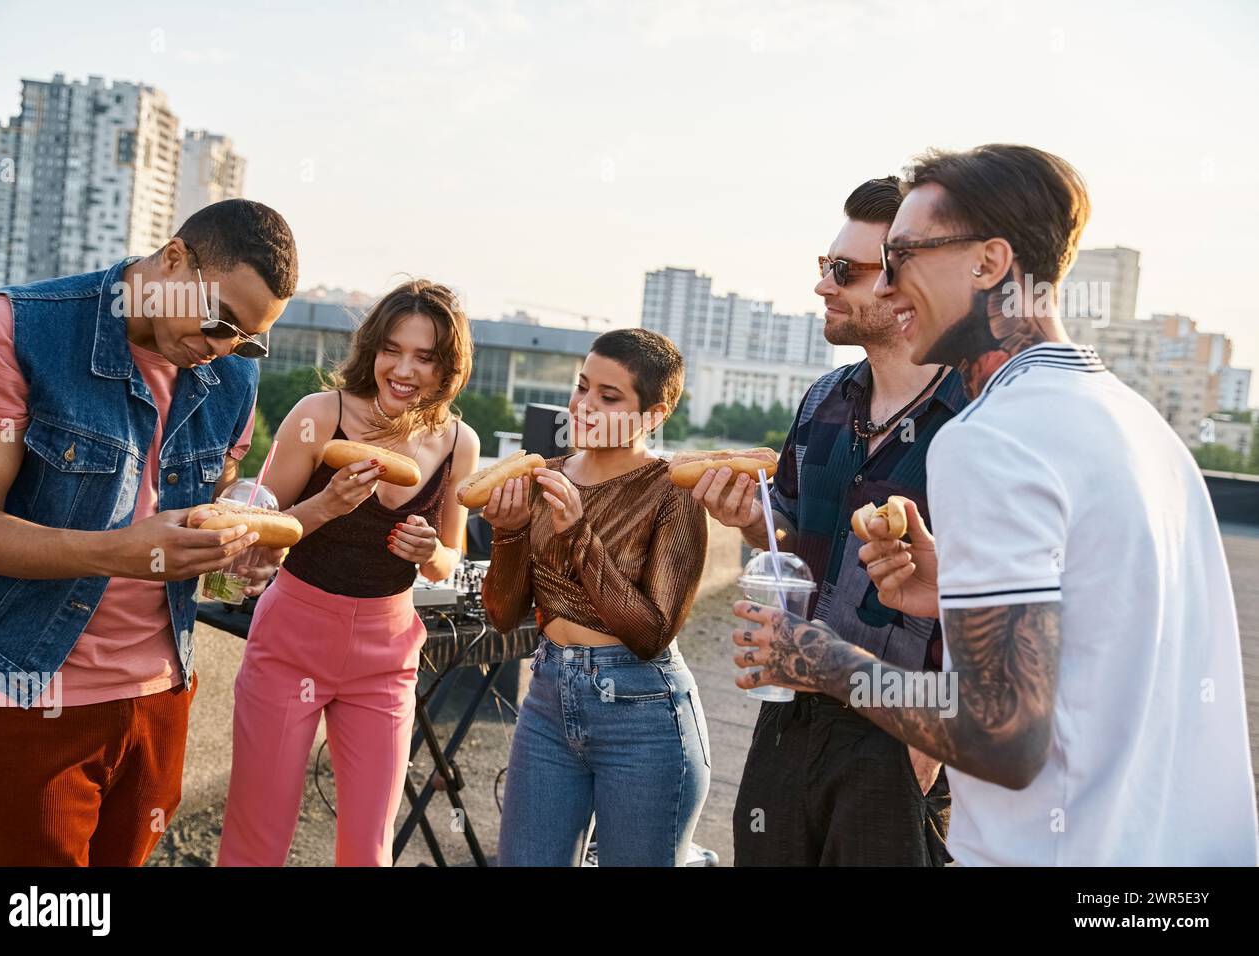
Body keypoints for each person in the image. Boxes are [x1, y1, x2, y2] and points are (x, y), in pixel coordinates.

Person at [732, 144, 1259, 865]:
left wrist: (818, 659)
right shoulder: (1141, 427)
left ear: (987, 264)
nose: (885, 287)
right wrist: (951, 590)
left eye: (901, 257)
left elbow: (1002, 732)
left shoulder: (992, 437)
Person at [0, 199, 297, 865]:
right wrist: (124, 551)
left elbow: (212, 502)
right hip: (17, 693)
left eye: (248, 337)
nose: (224, 347)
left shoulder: (234, 372)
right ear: (173, 258)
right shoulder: (11, 328)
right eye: (218, 319)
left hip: (159, 698)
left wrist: (239, 549)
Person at [694, 177, 963, 866]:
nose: (823, 286)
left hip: (900, 733)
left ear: (907, 282)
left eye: (844, 271)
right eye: (825, 267)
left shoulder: (976, 421)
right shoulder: (823, 400)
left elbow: (997, 597)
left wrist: (928, 748)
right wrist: (753, 520)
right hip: (789, 710)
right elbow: (787, 531)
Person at [216, 278, 479, 867]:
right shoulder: (319, 415)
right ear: (372, 349)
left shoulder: (461, 442)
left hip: (386, 655)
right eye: (392, 348)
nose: (403, 368)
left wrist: (429, 550)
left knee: (368, 849)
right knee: (257, 838)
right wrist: (325, 506)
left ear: (449, 368)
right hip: (292, 640)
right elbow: (258, 524)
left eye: (425, 356)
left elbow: (451, 558)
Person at [482, 328, 710, 866]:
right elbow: (503, 616)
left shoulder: (673, 489)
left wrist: (578, 535)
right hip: (546, 700)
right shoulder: (546, 477)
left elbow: (650, 634)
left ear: (654, 413)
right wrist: (509, 532)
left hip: (644, 714)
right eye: (582, 386)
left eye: (609, 397)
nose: (584, 405)